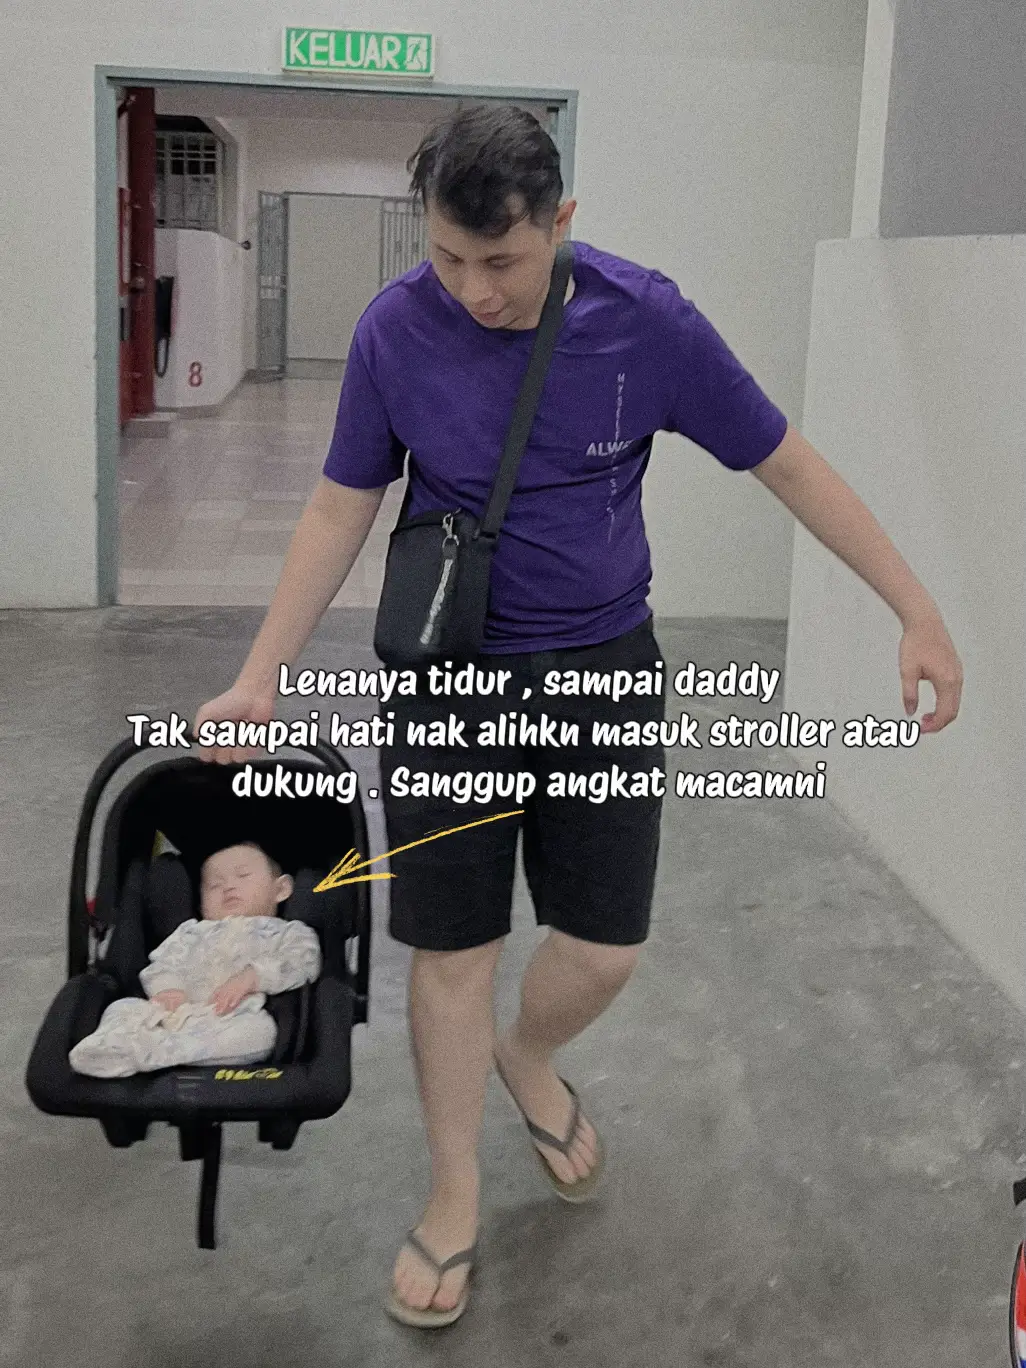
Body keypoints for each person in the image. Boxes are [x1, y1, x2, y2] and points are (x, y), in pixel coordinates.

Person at [193, 103, 963, 1327]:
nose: (475, 290)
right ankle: (454, 1192)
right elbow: (340, 505)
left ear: (560, 221)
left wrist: (912, 607)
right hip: (450, 682)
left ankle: (531, 1054)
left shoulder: (644, 320)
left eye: (501, 260)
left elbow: (785, 460)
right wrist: (262, 671)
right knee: (454, 953)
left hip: (604, 668)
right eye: (449, 257)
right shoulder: (397, 328)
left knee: (605, 946)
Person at [69, 842, 321, 1079]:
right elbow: (163, 963)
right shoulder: (191, 932)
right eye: (215, 885)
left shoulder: (287, 932)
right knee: (123, 1007)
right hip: (172, 1014)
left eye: (243, 876)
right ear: (202, 905)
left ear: (281, 889)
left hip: (232, 1016)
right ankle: (114, 1046)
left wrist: (254, 977)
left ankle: (151, 1051)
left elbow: (304, 960)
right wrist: (168, 988)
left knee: (261, 1033)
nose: (228, 887)